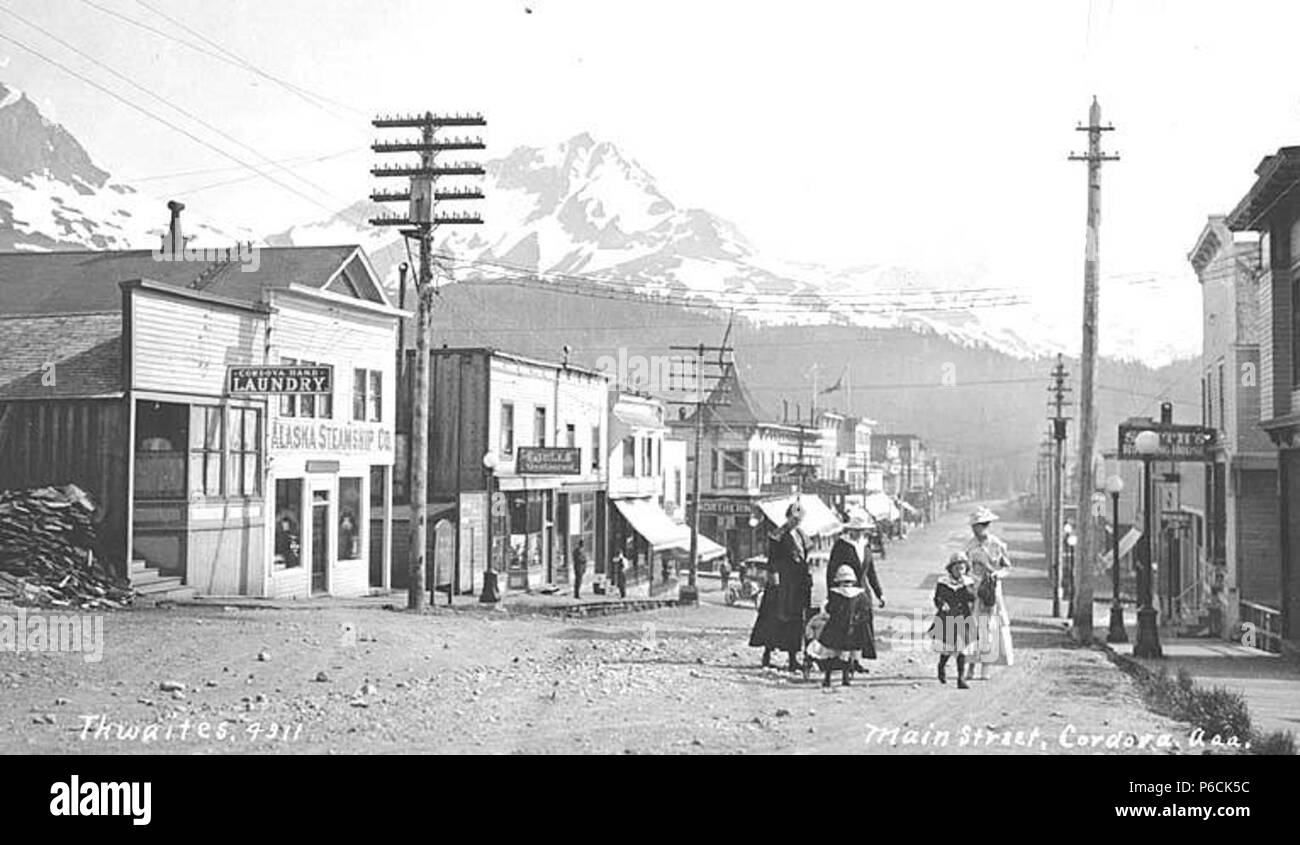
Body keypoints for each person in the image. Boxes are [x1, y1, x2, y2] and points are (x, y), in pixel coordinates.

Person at [827, 509, 886, 671]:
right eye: (856, 530)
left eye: (862, 530)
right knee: (845, 625)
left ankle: (855, 660)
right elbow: (831, 571)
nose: (858, 533)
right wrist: (831, 593)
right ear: (850, 530)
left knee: (862, 625)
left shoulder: (865, 546)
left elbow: (871, 572)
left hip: (863, 593)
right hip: (844, 591)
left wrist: (879, 593)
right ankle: (841, 660)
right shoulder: (842, 545)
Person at [964, 507, 1013, 678]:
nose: (976, 529)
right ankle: (970, 666)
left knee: (989, 629)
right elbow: (964, 568)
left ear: (986, 526)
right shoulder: (969, 546)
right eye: (974, 526)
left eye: (979, 525)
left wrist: (996, 574)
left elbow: (1007, 566)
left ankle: (986, 667)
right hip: (974, 590)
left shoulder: (997, 545)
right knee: (972, 629)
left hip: (991, 593)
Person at [809, 565, 875, 687]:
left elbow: (830, 609)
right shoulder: (861, 594)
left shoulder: (834, 594)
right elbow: (865, 610)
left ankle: (827, 679)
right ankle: (846, 678)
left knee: (830, 654)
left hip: (835, 629)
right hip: (851, 630)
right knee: (847, 654)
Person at [772, 501, 813, 671]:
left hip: (801, 582)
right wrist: (775, 576)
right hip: (786, 582)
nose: (796, 522)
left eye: (799, 520)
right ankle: (786, 655)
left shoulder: (802, 534)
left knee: (800, 619)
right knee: (785, 618)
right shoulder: (778, 534)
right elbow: (773, 558)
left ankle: (797, 656)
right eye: (794, 519)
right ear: (788, 517)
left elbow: (808, 554)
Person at [933, 552, 976, 690]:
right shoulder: (943, 582)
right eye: (956, 568)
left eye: (962, 568)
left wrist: (966, 586)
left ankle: (960, 678)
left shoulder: (968, 582)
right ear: (951, 568)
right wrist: (941, 604)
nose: (959, 571)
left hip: (963, 617)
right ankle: (941, 666)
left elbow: (972, 598)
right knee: (947, 648)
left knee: (961, 648)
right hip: (947, 617)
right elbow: (937, 598)